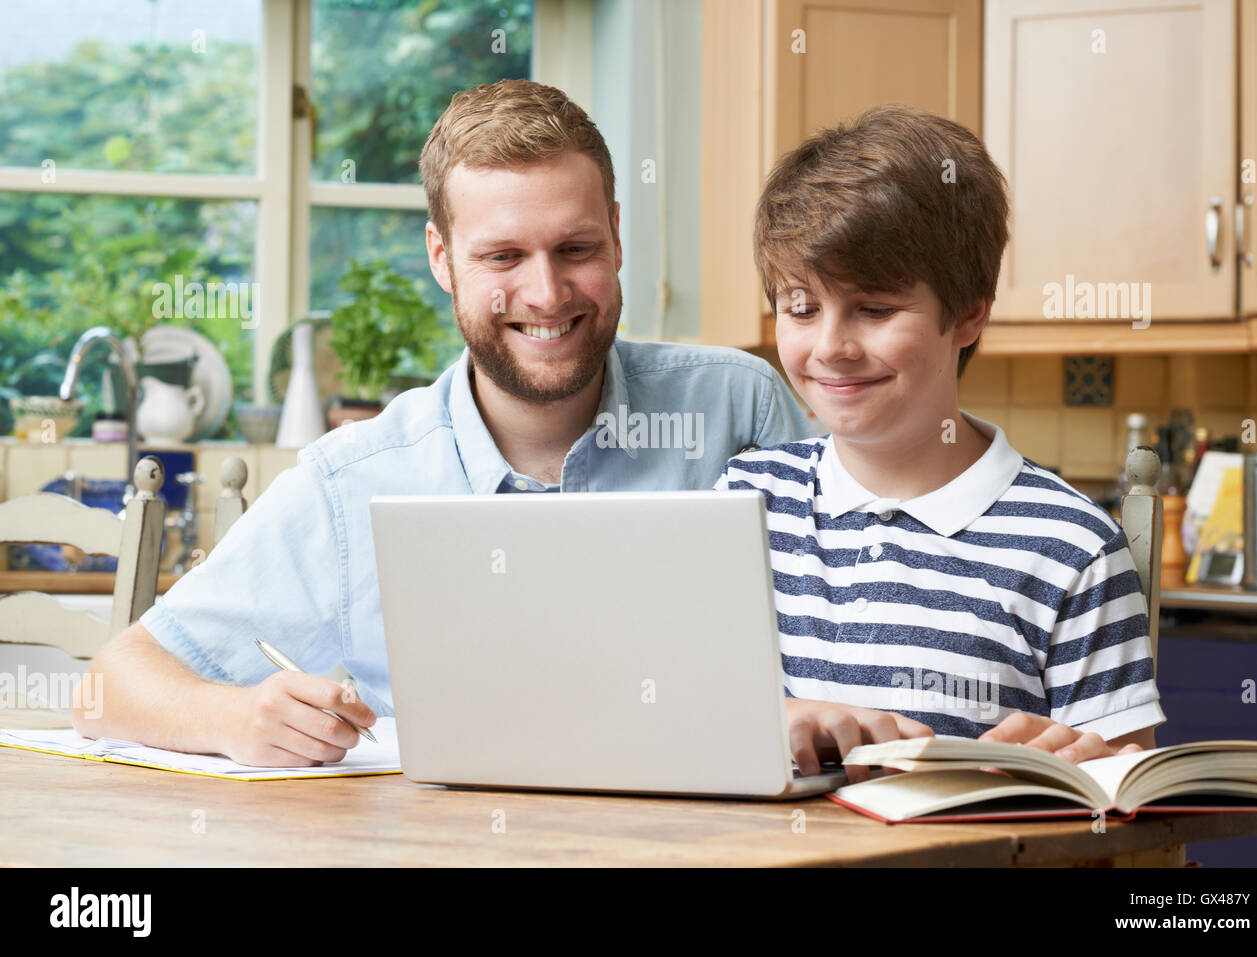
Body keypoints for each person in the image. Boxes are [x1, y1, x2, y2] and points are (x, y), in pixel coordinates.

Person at [72, 79, 813, 766]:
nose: (547, 293)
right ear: (442, 258)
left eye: (576, 249)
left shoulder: (738, 407)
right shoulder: (351, 479)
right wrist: (236, 719)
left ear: (617, 236)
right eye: (503, 255)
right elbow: (111, 685)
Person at [716, 103, 1164, 783]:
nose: (830, 347)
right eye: (800, 307)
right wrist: (762, 719)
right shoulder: (746, 500)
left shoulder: (1071, 547)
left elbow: (1133, 795)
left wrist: (1089, 771)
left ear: (968, 313)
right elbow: (679, 721)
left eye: (874, 309)